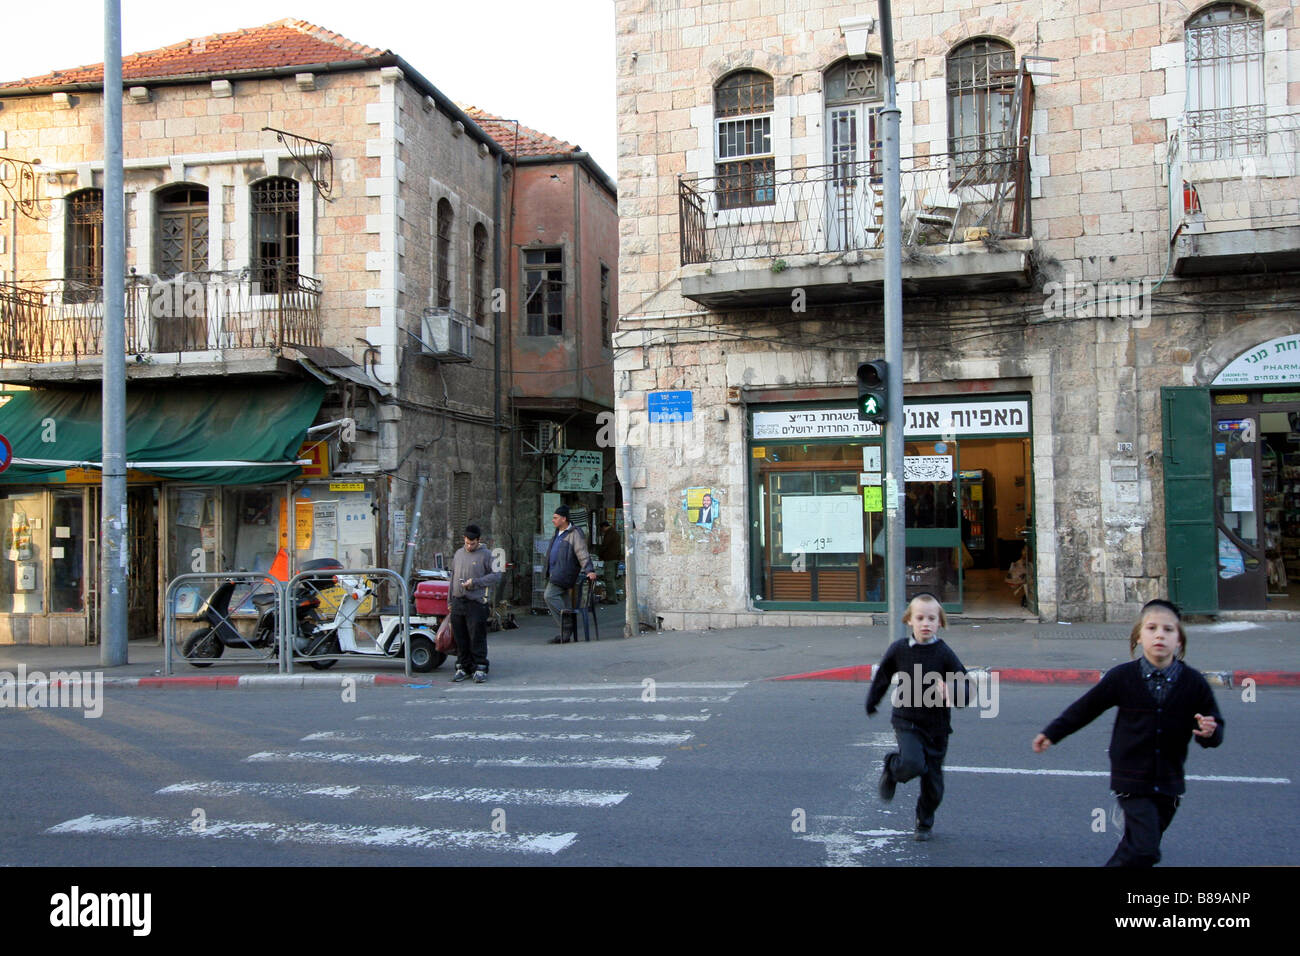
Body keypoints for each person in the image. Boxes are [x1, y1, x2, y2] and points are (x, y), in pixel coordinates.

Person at [1033, 599, 1224, 867]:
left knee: (1137, 848)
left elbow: (1215, 727)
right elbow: (1087, 708)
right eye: (1152, 628)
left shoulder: (1193, 683)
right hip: (1131, 778)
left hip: (1169, 782)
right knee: (1145, 850)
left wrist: (1209, 733)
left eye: (1168, 630)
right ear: (1138, 636)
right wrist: (1053, 732)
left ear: (1179, 640)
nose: (1160, 635)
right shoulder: (1122, 677)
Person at [865, 592, 973, 842]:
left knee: (934, 787)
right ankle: (892, 768)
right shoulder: (899, 650)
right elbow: (883, 676)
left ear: (940, 622)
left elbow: (965, 684)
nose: (926, 623)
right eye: (920, 617)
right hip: (907, 721)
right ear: (909, 620)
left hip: (937, 728)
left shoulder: (944, 653)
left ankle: (923, 822)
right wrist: (873, 701)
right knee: (913, 764)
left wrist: (955, 691)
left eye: (931, 618)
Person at [448, 523, 501, 683]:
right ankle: (463, 666)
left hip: (476, 602)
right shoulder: (458, 554)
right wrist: (450, 600)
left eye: (473, 543)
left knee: (476, 636)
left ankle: (480, 666)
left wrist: (475, 582)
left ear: (479, 540)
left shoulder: (487, 555)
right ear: (464, 539)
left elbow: (496, 576)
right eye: (467, 543)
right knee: (460, 637)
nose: (469, 546)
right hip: (458, 601)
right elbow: (453, 578)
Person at [544, 504, 596, 643]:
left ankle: (566, 625)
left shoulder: (574, 533)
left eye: (556, 518)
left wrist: (589, 569)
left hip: (564, 573)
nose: (553, 520)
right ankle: (566, 632)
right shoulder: (558, 533)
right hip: (555, 572)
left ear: (564, 519)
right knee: (565, 601)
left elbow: (582, 552)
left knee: (549, 596)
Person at [597, 520, 622, 604]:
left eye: (602, 529)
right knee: (612, 579)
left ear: (604, 527)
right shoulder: (615, 533)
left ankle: (611, 598)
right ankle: (612, 597)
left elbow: (605, 546)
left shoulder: (609, 534)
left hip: (610, 559)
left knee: (609, 579)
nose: (602, 531)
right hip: (615, 558)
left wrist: (600, 555)